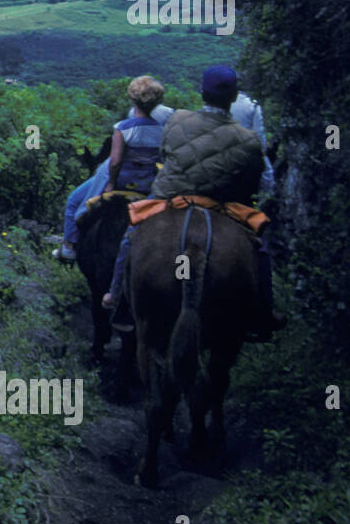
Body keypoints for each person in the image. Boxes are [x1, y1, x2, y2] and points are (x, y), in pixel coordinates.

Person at [103, 65, 284, 340]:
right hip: (222, 205)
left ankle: (117, 296)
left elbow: (165, 154)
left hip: (170, 198)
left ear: (202, 94)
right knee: (260, 249)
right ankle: (263, 313)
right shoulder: (249, 140)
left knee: (132, 234)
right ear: (234, 97)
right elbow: (261, 183)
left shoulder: (177, 121)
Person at [53, 77, 171, 262]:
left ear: (132, 99)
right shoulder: (163, 129)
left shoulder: (122, 128)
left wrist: (111, 183)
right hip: (148, 181)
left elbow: (115, 161)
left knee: (74, 201)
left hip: (122, 179)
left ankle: (69, 246)